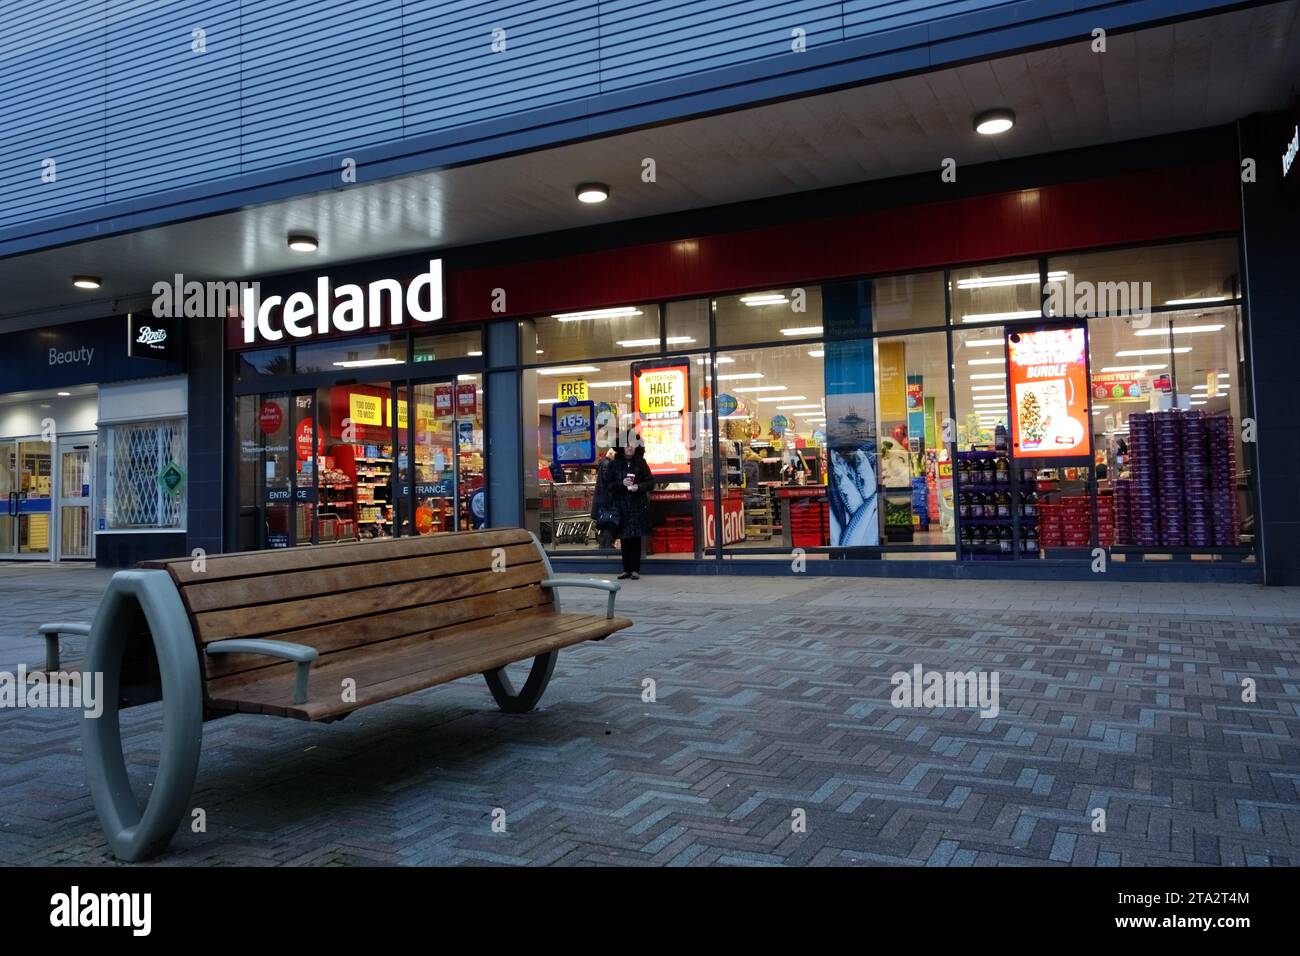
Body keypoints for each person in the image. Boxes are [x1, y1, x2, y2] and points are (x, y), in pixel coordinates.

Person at [604, 436, 655, 579]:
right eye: (627, 445)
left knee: (636, 538)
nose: (630, 447)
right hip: (620, 506)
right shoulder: (614, 465)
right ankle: (626, 569)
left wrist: (639, 487)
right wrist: (622, 483)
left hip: (637, 505)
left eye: (633, 444)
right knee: (624, 538)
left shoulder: (641, 463)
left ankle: (635, 570)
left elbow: (650, 482)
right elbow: (609, 485)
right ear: (621, 447)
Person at [590, 448, 617, 549]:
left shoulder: (605, 463)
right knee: (608, 522)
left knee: (606, 522)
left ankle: (605, 544)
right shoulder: (608, 464)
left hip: (603, 499)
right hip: (606, 499)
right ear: (612, 454)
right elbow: (609, 481)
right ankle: (607, 545)